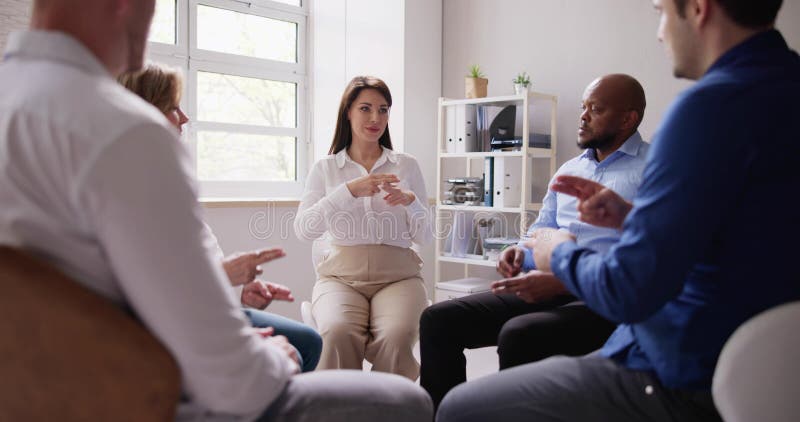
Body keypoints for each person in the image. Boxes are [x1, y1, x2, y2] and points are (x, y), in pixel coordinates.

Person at [0, 1, 432, 421]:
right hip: (153, 389)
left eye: (382, 110)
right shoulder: (127, 134)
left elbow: (112, 281)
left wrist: (227, 288)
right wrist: (272, 357)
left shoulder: (15, 97)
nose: (184, 118)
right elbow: (230, 375)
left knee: (390, 339)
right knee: (402, 401)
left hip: (55, 386)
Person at [437, 1, 799, 421]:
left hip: (675, 368)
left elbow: (629, 290)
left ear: (699, 9)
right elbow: (744, 234)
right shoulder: (782, 91)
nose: (661, 32)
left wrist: (559, 253)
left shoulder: (707, 111)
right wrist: (633, 218)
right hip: (767, 362)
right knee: (443, 321)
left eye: (662, 11)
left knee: (461, 409)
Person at [420, 74, 649, 408]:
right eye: (583, 107)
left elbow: (652, 251)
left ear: (629, 118)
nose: (583, 116)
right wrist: (518, 250)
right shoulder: (569, 170)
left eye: (595, 109)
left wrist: (565, 280)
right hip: (545, 285)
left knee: (521, 334)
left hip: (603, 299)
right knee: (438, 320)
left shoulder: (653, 169)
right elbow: (541, 230)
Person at [118, 64, 322, 373]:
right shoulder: (126, 191)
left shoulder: (166, 177)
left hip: (208, 305)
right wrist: (224, 276)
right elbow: (154, 287)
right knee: (295, 348)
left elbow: (194, 261)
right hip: (183, 321)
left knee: (309, 340)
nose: (185, 118)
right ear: (146, 114)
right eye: (173, 108)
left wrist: (240, 292)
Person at [294, 76, 431, 380]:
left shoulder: (406, 166)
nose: (375, 118)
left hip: (399, 276)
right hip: (340, 277)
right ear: (348, 112)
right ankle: (343, 409)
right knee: (337, 331)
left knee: (397, 336)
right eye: (365, 108)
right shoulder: (325, 168)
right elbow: (303, 229)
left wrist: (411, 202)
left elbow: (425, 236)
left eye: (383, 110)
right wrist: (348, 191)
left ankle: (385, 409)